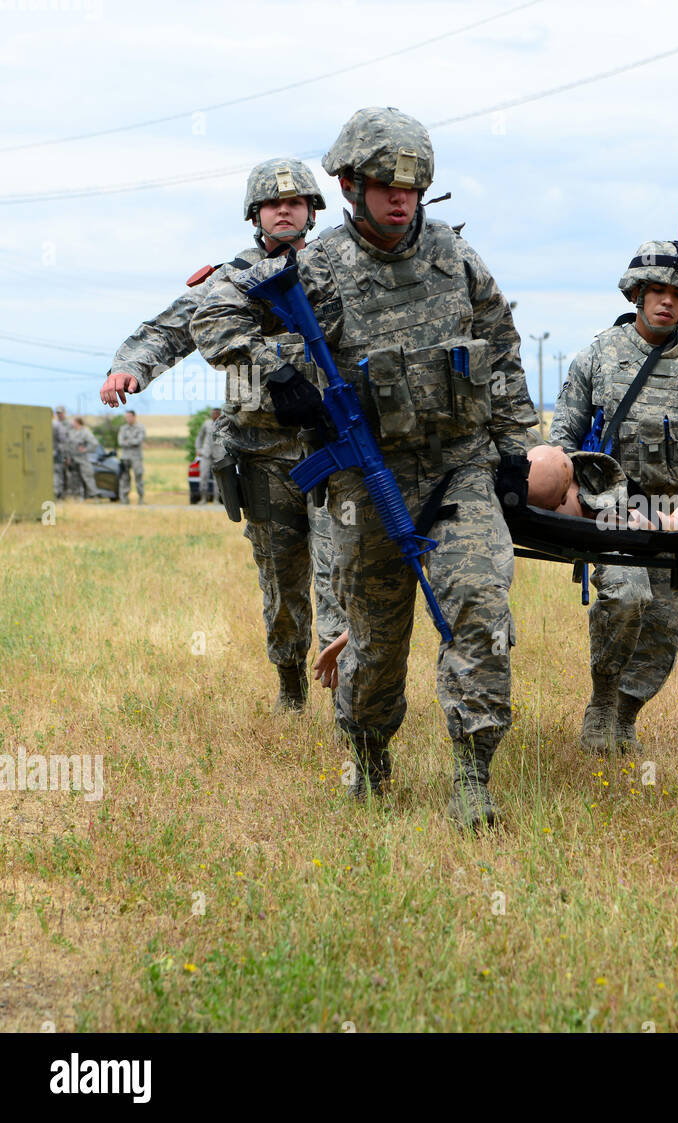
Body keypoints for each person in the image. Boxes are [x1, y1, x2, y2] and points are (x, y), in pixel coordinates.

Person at [192, 107, 537, 828]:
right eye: (384, 181)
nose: (401, 194)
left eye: (414, 181)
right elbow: (212, 316)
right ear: (349, 183)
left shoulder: (455, 257)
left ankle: (473, 775)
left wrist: (512, 449)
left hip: (458, 468)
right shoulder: (314, 268)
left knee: (478, 608)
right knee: (377, 641)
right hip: (364, 479)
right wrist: (275, 366)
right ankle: (369, 755)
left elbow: (501, 348)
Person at [100, 158, 345, 710]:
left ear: (311, 210)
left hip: (334, 450)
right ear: (255, 214)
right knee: (282, 587)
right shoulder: (229, 280)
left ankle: (346, 699)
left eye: (295, 202)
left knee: (340, 576)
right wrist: (131, 367)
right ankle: (290, 689)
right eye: (272, 204)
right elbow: (170, 328)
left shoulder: (339, 267)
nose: (285, 210)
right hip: (262, 456)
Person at [549, 241, 678, 755]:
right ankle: (600, 704)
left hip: (677, 511)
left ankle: (625, 713)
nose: (668, 302)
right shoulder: (597, 356)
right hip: (612, 509)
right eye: (658, 291)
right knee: (627, 598)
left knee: (666, 625)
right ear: (637, 292)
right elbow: (562, 444)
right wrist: (572, 500)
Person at [117, 409, 146, 504]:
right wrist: (131, 441)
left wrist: (127, 441)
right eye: (126, 417)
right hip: (125, 457)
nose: (127, 419)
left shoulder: (140, 428)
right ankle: (124, 499)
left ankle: (141, 498)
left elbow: (139, 441)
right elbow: (120, 442)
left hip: (136, 457)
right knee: (125, 478)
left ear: (134, 417)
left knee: (138, 476)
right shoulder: (123, 428)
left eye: (129, 417)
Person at [66, 417, 100, 499]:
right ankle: (76, 496)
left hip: (82, 458)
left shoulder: (85, 432)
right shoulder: (71, 432)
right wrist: (67, 457)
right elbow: (68, 445)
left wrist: (85, 450)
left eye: (74, 422)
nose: (72, 423)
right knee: (74, 478)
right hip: (73, 458)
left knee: (88, 476)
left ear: (78, 422)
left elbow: (94, 444)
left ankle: (94, 495)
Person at [195, 407, 220, 502]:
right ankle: (203, 498)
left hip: (218, 455)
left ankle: (216, 499)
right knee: (203, 476)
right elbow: (199, 437)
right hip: (206, 453)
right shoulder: (206, 424)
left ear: (219, 414)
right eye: (213, 413)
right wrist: (198, 449)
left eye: (216, 413)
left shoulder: (224, 424)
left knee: (217, 478)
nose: (214, 415)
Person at [52, 405, 69, 499]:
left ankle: (62, 494)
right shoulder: (56, 424)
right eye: (57, 413)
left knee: (64, 475)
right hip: (58, 453)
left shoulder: (69, 424)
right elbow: (63, 441)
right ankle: (58, 494)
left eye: (60, 412)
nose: (59, 414)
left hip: (65, 452)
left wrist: (67, 455)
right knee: (58, 474)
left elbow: (67, 441)